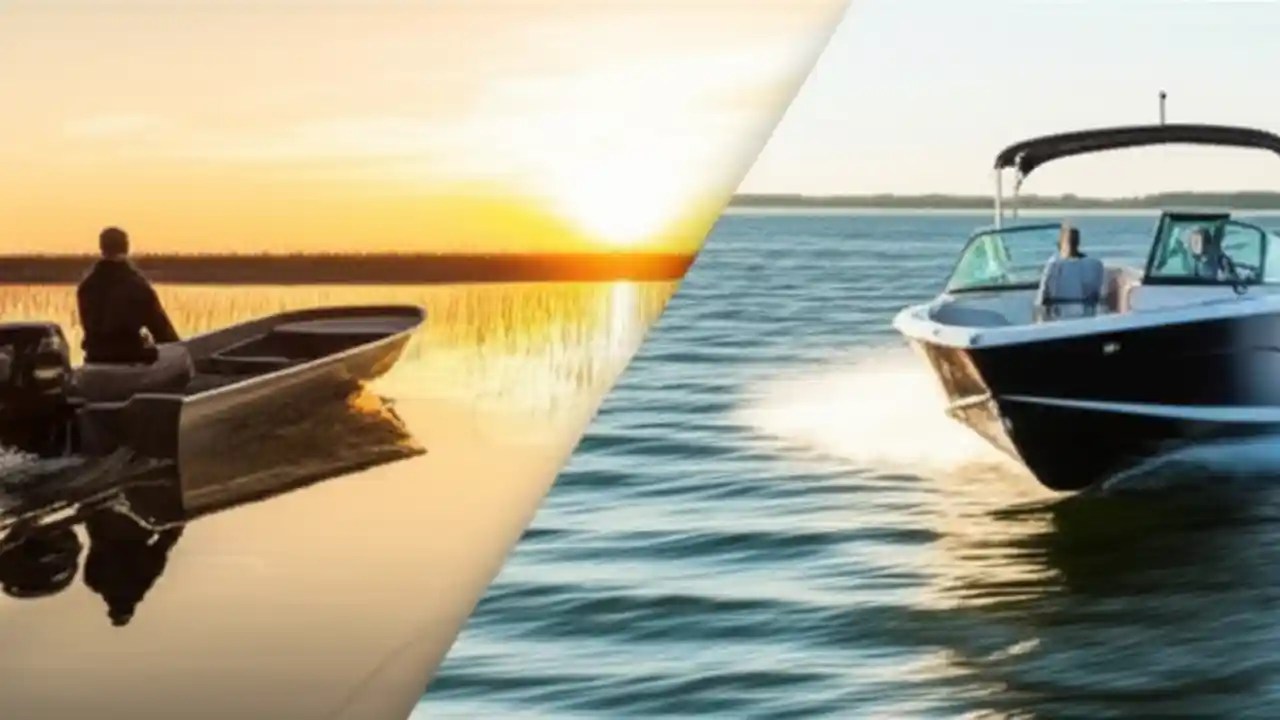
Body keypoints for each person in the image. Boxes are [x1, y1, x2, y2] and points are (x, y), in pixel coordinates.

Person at [74, 227, 193, 399]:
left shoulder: (86, 286)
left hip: (94, 359)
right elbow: (162, 332)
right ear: (126, 247)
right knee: (180, 355)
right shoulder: (137, 285)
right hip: (128, 363)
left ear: (101, 247)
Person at [1034, 224, 1106, 320]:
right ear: (1078, 243)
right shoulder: (1095, 265)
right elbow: (1100, 296)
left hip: (1059, 319)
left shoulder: (1053, 265)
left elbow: (1041, 300)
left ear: (1060, 245)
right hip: (1088, 321)